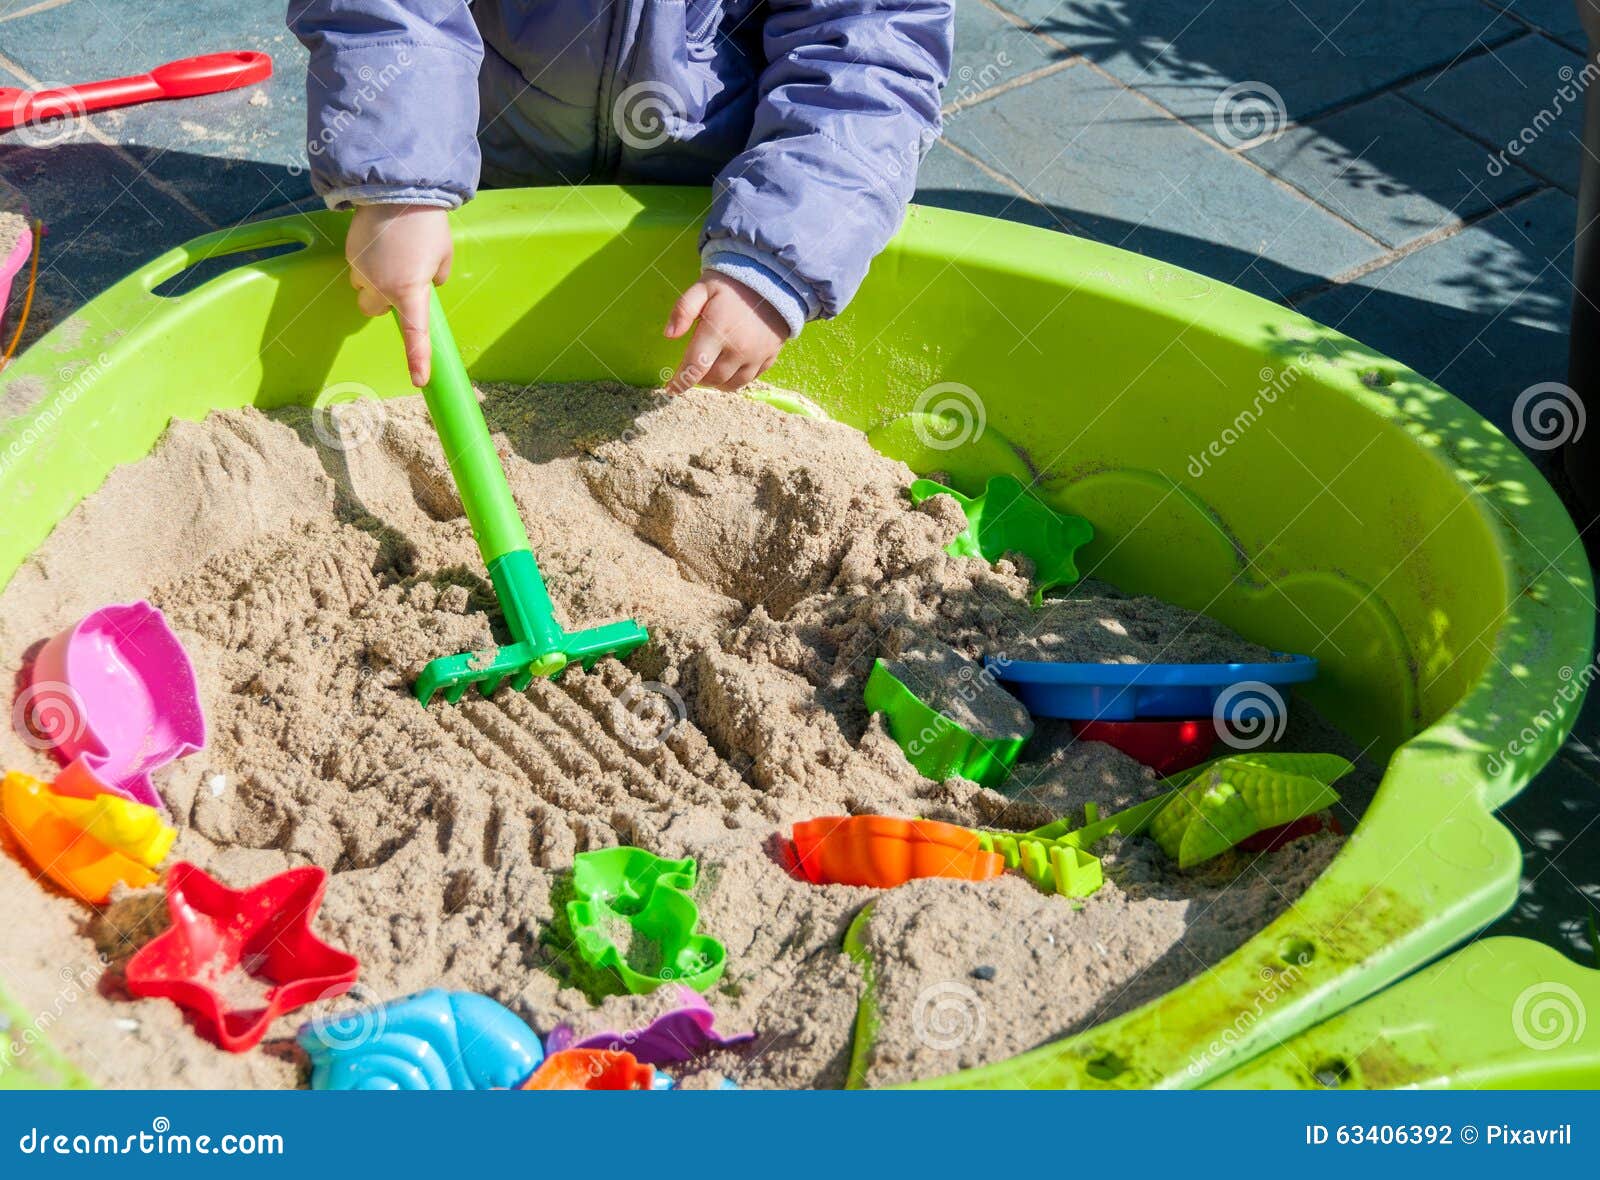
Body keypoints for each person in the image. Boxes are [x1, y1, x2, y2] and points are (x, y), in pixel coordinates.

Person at [288, 0, 953, 390]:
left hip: (717, 207)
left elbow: (869, 59)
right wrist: (400, 182)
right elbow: (392, 13)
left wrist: (782, 254)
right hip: (488, 167)